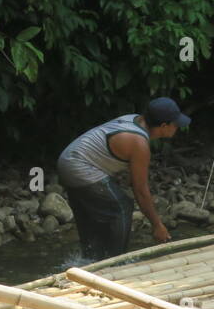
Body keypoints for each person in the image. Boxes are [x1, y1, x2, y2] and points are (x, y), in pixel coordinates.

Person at [56, 96, 191, 260]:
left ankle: (89, 263)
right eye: (175, 124)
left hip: (68, 161)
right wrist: (157, 225)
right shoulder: (138, 143)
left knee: (93, 219)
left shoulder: (134, 119)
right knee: (122, 207)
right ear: (163, 126)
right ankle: (116, 263)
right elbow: (140, 190)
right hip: (79, 167)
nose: (177, 128)